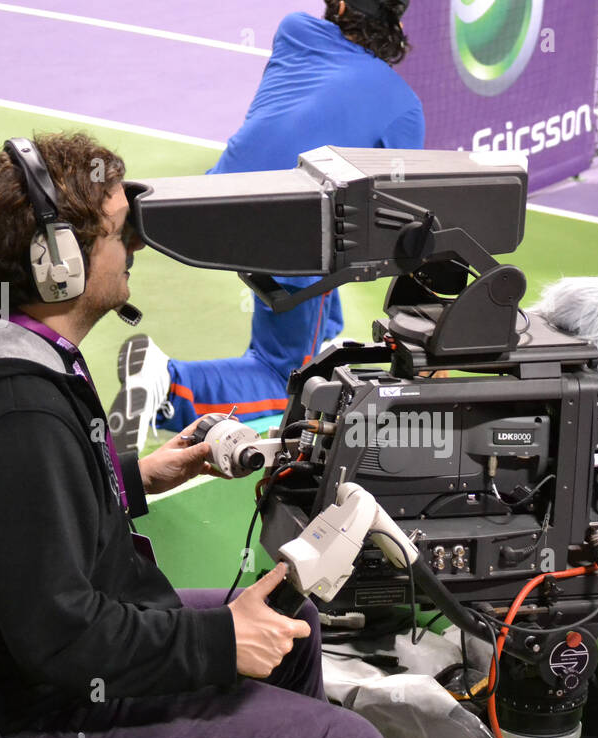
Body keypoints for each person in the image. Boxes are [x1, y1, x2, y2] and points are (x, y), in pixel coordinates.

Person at [0, 132, 427, 738]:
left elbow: (20, 522)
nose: (135, 245)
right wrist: (222, 639)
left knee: (291, 620)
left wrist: (140, 475)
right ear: (58, 261)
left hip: (41, 677)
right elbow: (63, 639)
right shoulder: (15, 414)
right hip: (42, 725)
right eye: (117, 229)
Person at [108, 0, 424, 455]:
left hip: (204, 208)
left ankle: (327, 338)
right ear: (395, 21)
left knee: (320, 298)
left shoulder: (294, 30)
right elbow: (397, 222)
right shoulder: (405, 107)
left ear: (337, 5)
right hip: (286, 240)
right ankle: (166, 385)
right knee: (291, 375)